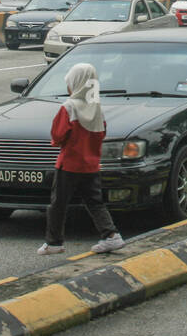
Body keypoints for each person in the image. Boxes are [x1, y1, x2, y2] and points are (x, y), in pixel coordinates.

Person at [38, 63, 125, 256]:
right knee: (95, 201)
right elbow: (102, 133)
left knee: (58, 203)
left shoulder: (69, 107)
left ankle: (54, 242)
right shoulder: (96, 108)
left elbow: (58, 134)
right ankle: (111, 235)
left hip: (69, 164)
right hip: (91, 165)